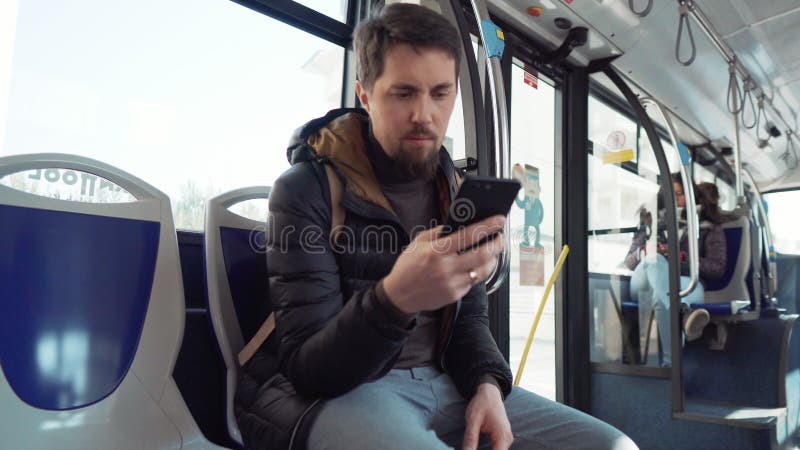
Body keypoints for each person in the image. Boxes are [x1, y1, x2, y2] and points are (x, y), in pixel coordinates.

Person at [235, 4, 638, 449]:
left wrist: (487, 384)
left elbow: (469, 322)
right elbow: (307, 368)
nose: (425, 114)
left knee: (613, 445)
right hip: (343, 392)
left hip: (447, 384)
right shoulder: (304, 189)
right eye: (403, 93)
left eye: (440, 94)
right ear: (365, 95)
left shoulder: (452, 189)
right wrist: (395, 298)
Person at [625, 175, 727, 366]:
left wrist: (681, 258)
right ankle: (683, 313)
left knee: (663, 295)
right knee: (655, 262)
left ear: (691, 195)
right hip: (643, 282)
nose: (675, 199)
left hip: (686, 282)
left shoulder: (707, 226)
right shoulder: (650, 220)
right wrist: (646, 251)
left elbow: (717, 268)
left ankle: (670, 367)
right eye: (670, 194)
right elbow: (629, 261)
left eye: (679, 194)